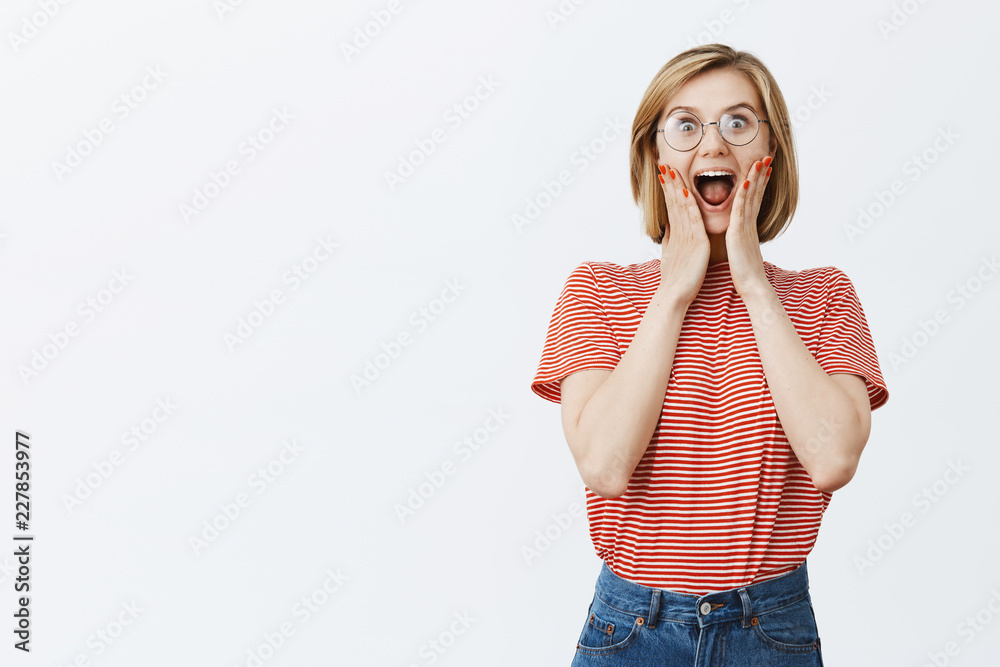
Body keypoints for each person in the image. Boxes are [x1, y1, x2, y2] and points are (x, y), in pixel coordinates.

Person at [529, 43, 889, 665]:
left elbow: (832, 459)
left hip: (771, 629)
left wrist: (753, 281)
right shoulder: (596, 291)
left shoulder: (826, 295)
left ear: (769, 156)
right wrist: (673, 290)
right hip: (631, 631)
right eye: (686, 126)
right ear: (654, 155)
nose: (714, 146)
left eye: (739, 122)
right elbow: (606, 467)